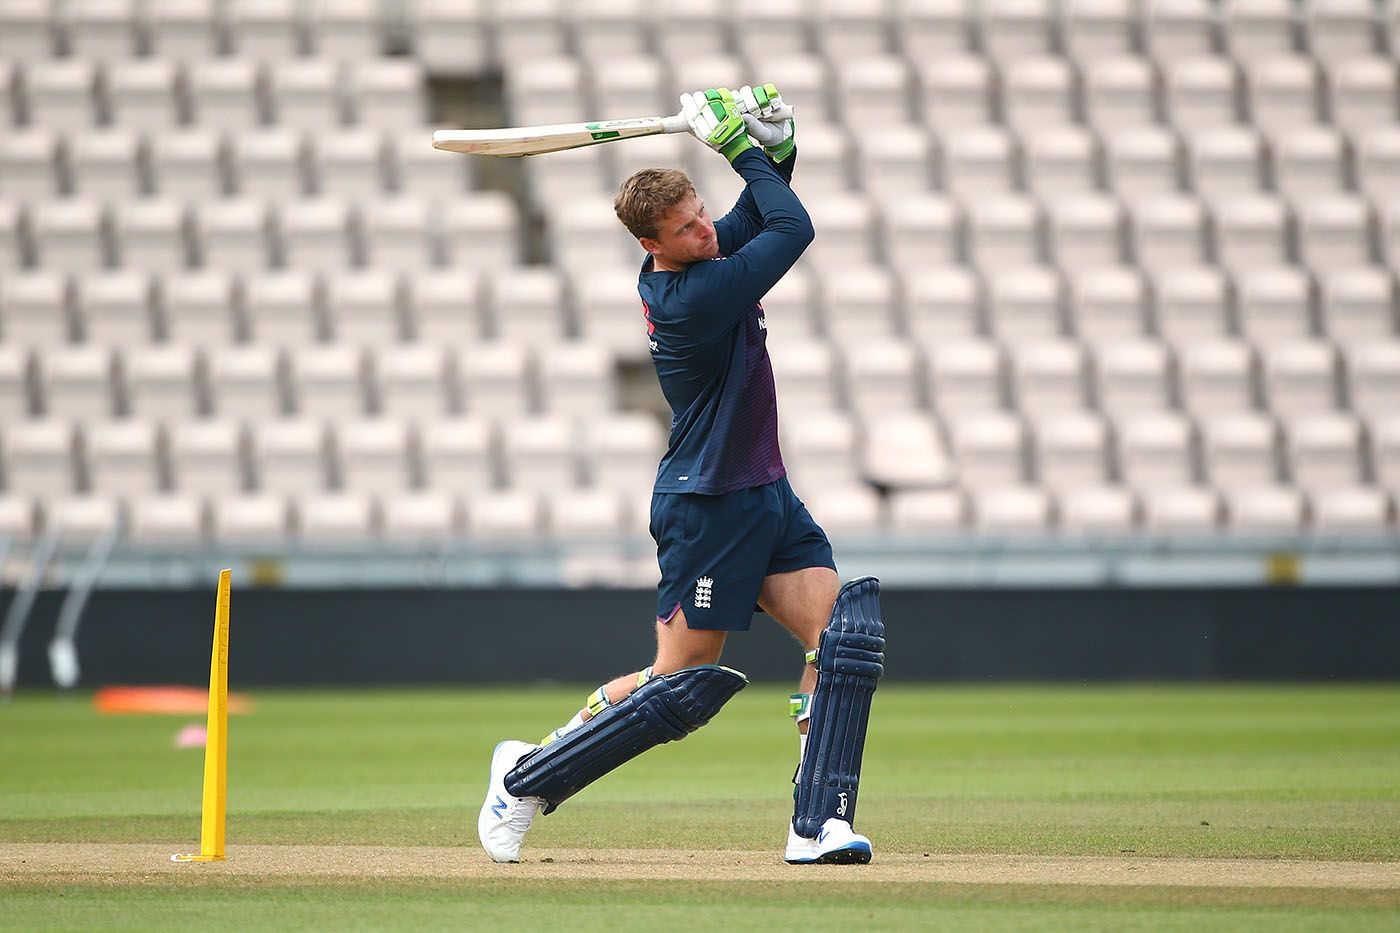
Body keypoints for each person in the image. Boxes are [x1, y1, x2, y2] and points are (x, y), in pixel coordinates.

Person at [477, 85, 885, 865]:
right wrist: (737, 147)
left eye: (702, 213)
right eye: (688, 226)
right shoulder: (693, 294)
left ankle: (817, 823)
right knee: (678, 685)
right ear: (652, 243)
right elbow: (792, 227)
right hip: (707, 506)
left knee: (842, 642)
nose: (706, 228)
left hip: (764, 491)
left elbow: (760, 213)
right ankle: (524, 777)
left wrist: (777, 147)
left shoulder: (700, 255)